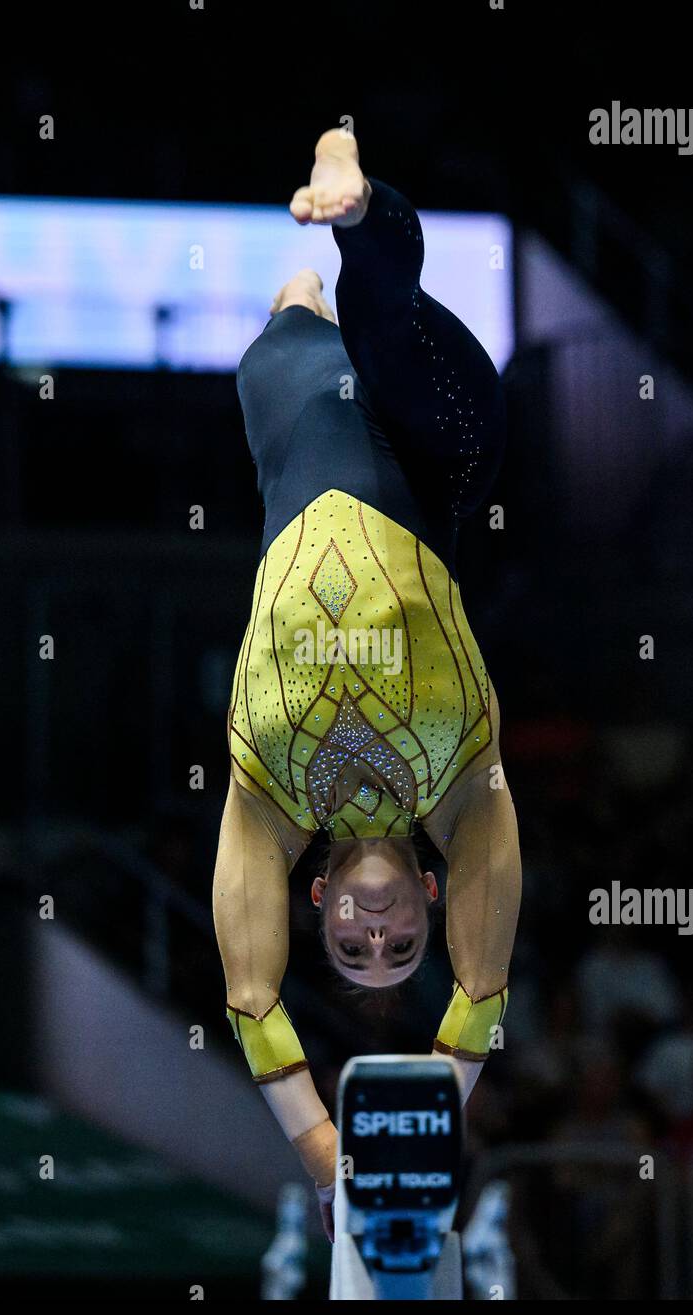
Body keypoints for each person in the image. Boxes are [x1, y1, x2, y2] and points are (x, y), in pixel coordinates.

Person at [212, 128, 521, 1238]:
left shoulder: (266, 804)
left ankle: (313, 278)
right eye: (400, 946)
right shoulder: (463, 792)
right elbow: (481, 994)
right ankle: (350, 186)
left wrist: (317, 1149)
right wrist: (410, 1140)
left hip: (291, 421)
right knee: (384, 322)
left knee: (285, 330)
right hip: (430, 449)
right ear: (432, 898)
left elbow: (250, 998)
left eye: (351, 944)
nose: (378, 933)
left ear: (320, 903)